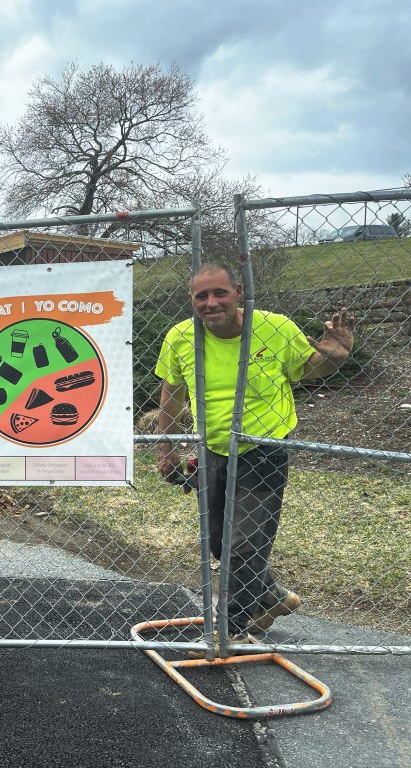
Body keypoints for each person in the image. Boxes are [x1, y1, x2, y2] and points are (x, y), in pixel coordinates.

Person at [155, 262, 352, 644]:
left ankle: (228, 630)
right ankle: (268, 595)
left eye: (219, 293)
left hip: (263, 449)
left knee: (243, 542)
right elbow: (172, 395)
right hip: (212, 448)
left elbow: (309, 369)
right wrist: (166, 448)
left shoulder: (274, 328)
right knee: (216, 540)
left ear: (238, 292)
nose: (211, 303)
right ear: (192, 300)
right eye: (202, 296)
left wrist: (336, 354)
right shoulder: (180, 337)